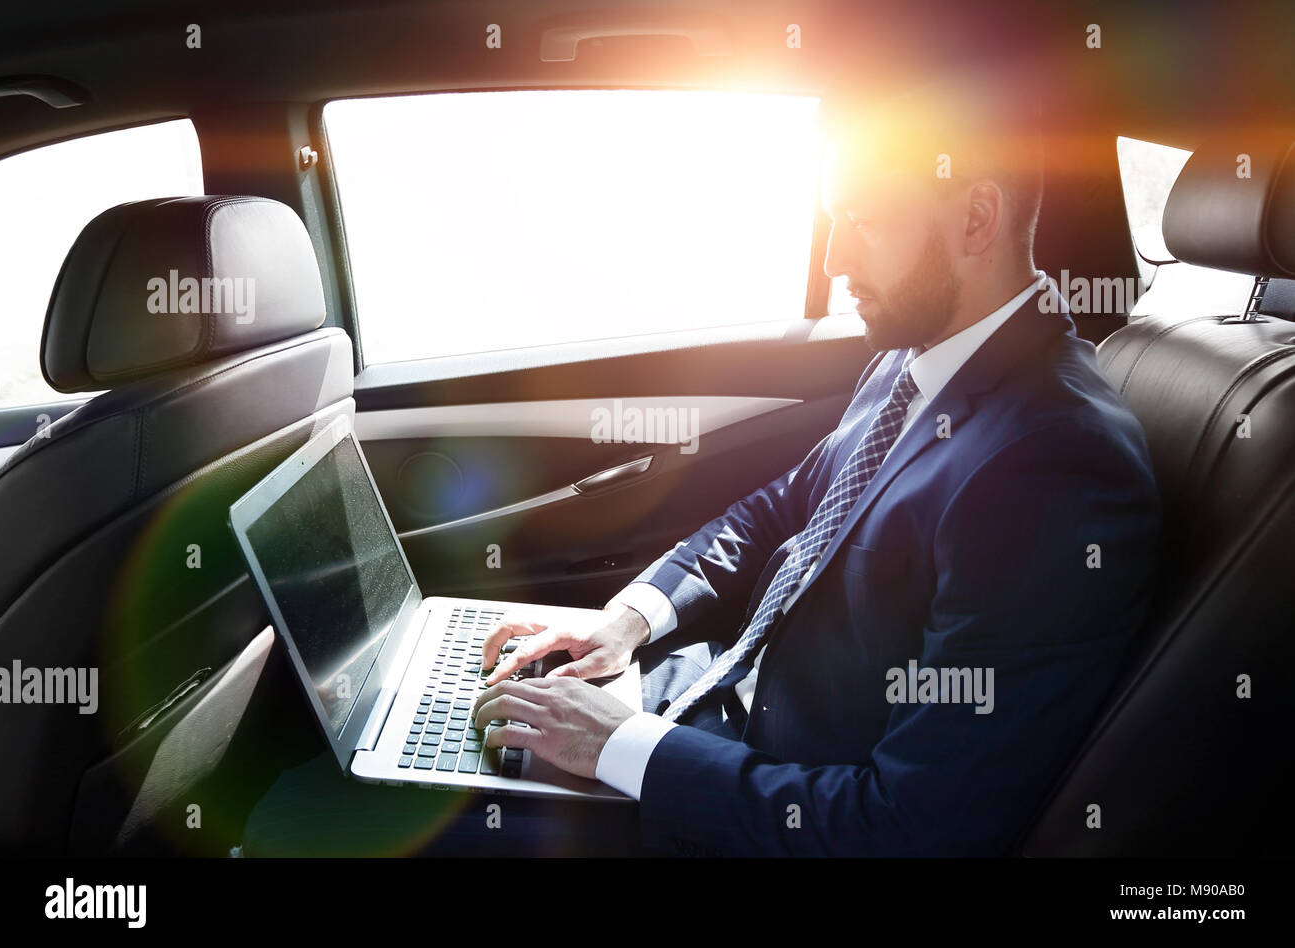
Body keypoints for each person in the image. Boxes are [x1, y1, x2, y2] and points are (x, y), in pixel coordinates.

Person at [244, 77, 1162, 857]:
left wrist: (625, 747)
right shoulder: (915, 361)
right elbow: (780, 510)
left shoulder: (1055, 467)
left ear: (976, 216)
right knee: (327, 774)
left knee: (304, 823)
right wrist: (628, 623)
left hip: (756, 809)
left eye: (863, 223)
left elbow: (913, 829)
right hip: (707, 714)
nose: (838, 260)